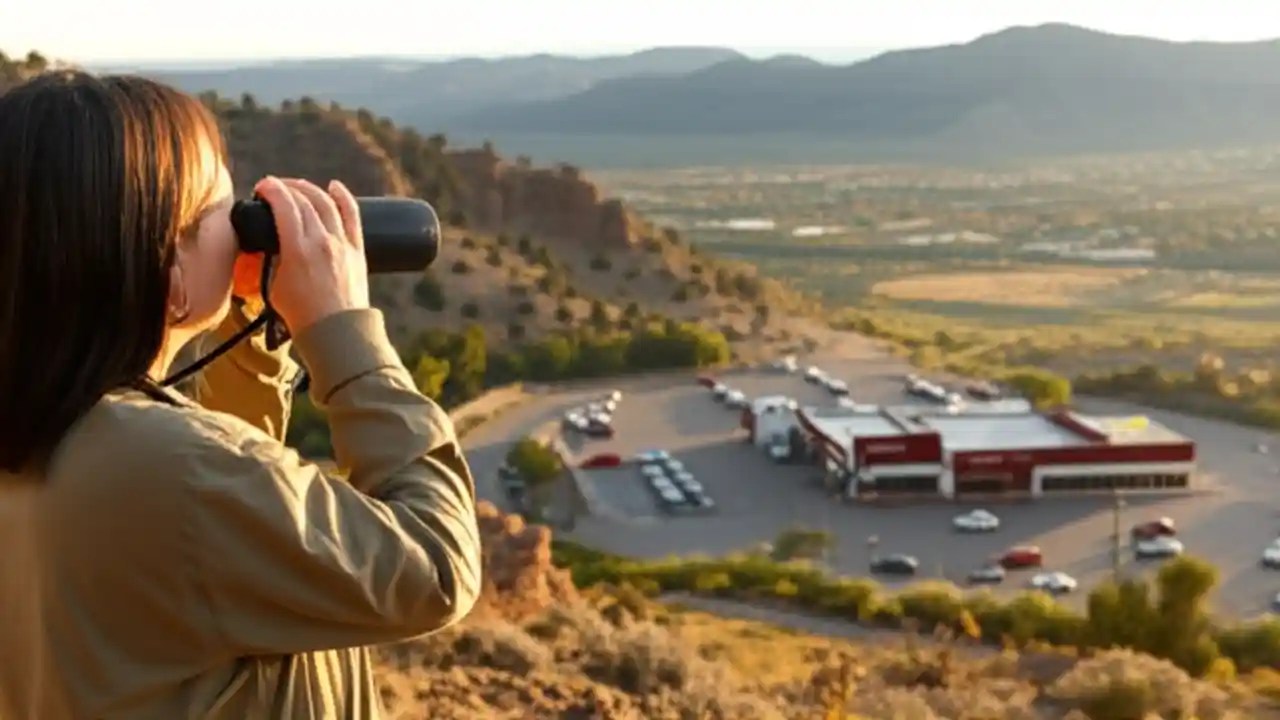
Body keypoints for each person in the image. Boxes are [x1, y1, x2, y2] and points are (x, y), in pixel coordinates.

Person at [0, 71, 482, 718]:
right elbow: (436, 567)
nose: (242, 228)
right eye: (220, 212)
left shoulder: (59, 428)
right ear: (167, 267)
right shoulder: (160, 463)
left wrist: (250, 328)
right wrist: (342, 333)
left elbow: (218, 519)